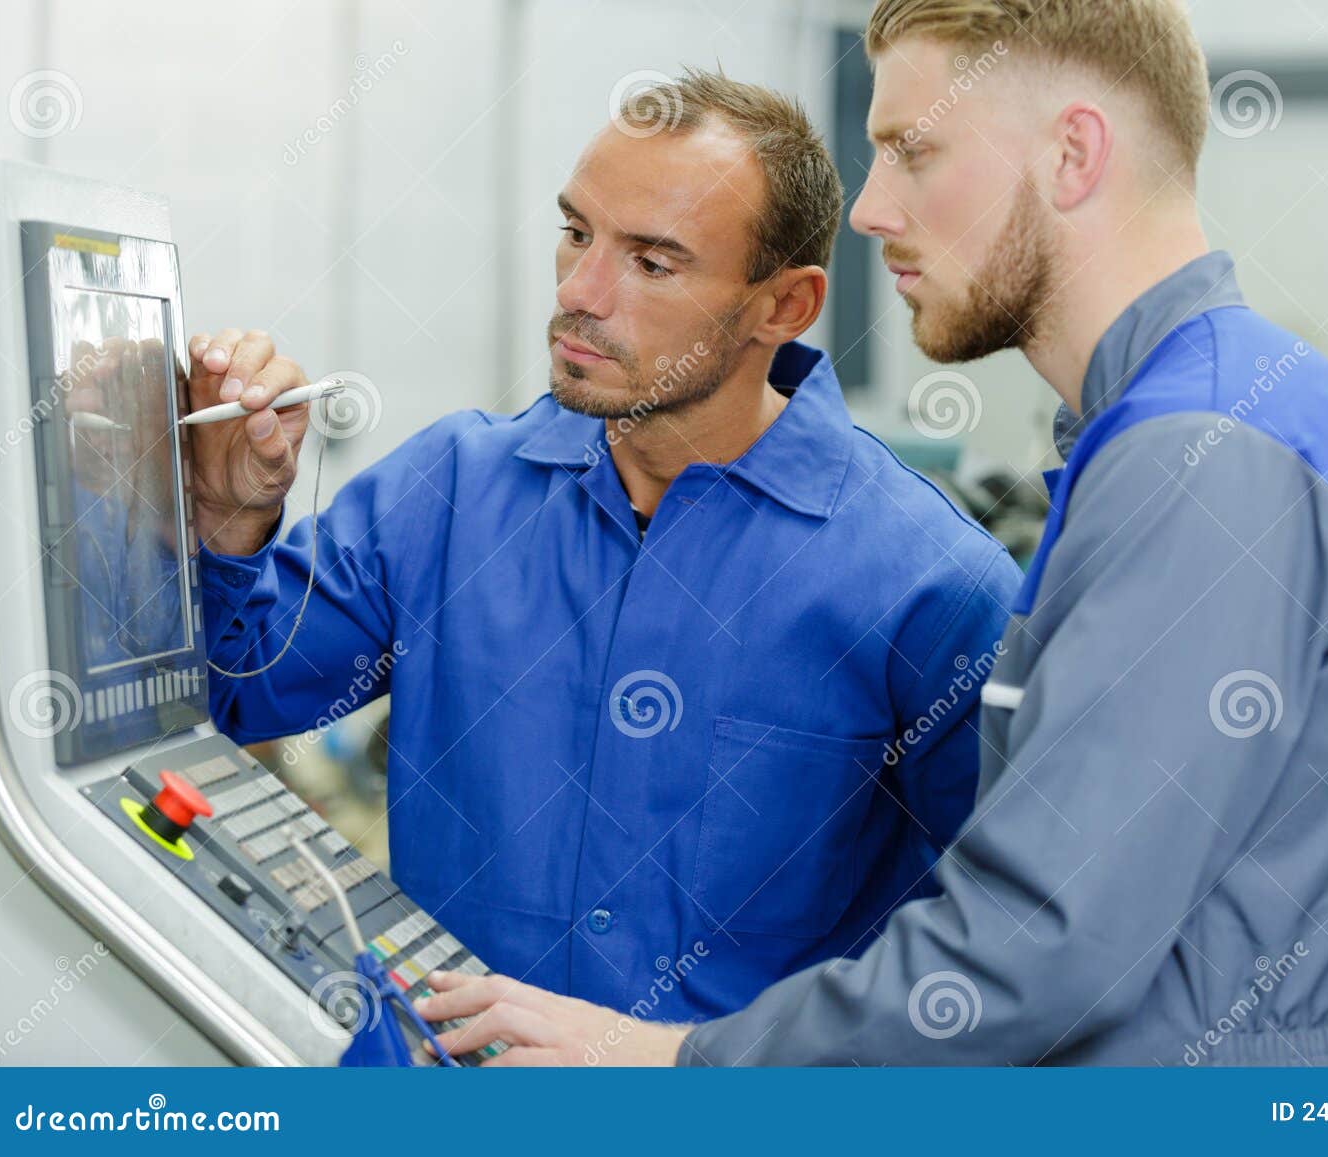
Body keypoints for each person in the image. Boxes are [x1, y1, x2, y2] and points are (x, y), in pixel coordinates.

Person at [413, 0, 1328, 1066]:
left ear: (1072, 153)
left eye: (913, 151)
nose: (870, 208)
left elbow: (1038, 943)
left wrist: (671, 1060)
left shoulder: (1206, 450)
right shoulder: (1177, 425)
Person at [188, 70, 1019, 1021]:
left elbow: (996, 958)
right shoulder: (449, 494)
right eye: (577, 233)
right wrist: (228, 517)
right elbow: (241, 687)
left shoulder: (932, 584)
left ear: (783, 307)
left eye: (652, 262)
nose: (579, 293)